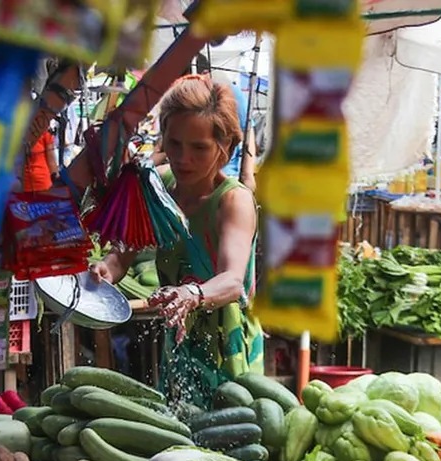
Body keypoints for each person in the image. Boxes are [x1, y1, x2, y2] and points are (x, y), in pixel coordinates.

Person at [89, 75, 263, 407]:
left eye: (199, 148)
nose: (183, 158)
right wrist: (104, 271)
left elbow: (232, 281)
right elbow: (121, 257)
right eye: (175, 143)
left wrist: (191, 294)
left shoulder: (233, 201)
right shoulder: (156, 189)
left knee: (231, 429)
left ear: (225, 147)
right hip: (179, 342)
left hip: (230, 349)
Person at [23, 124, 58, 192]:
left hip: (43, 187)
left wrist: (57, 184)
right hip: (19, 187)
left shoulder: (44, 132)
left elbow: (52, 162)